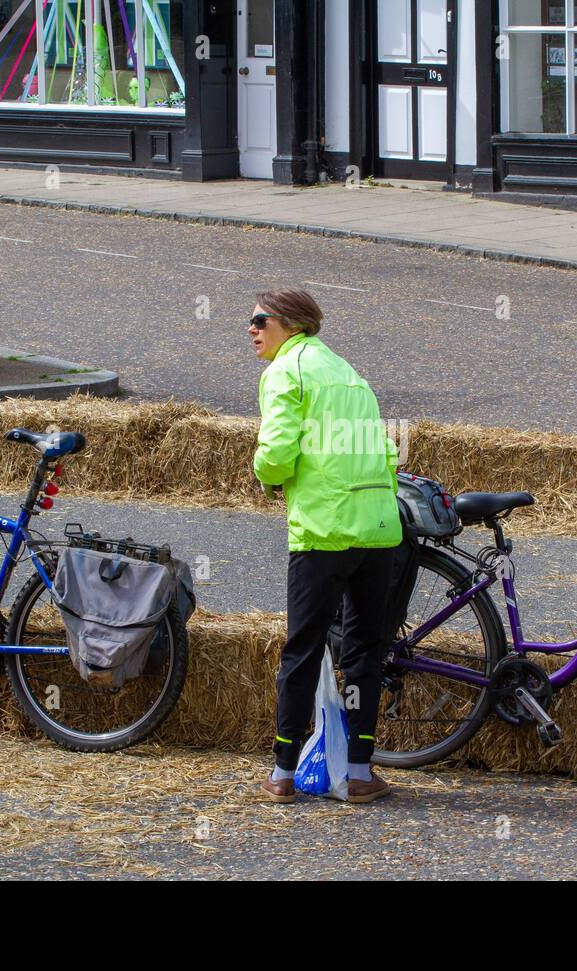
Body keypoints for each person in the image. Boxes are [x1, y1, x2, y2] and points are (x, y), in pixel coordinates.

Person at [249, 287, 402, 804]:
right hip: (377, 528)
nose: (251, 329)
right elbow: (383, 448)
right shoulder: (350, 372)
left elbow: (276, 452)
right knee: (364, 652)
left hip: (324, 530)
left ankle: (283, 771)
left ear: (290, 324)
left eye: (259, 320)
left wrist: (267, 478)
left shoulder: (284, 372)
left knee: (303, 649)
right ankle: (359, 771)